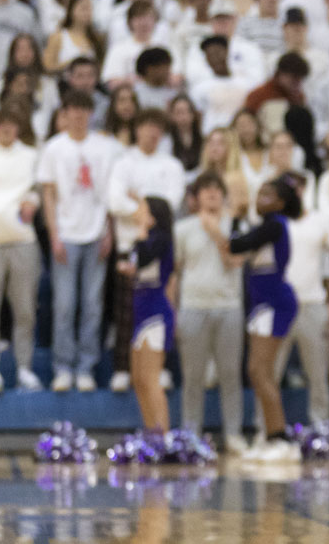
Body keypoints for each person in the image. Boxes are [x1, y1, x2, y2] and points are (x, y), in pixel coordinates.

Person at [38, 91, 121, 392]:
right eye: (73, 109)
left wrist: (109, 232)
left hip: (96, 232)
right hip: (66, 234)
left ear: (90, 113)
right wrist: (54, 235)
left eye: (84, 110)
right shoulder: (54, 148)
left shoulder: (104, 148)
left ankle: (86, 366)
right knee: (64, 304)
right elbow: (48, 195)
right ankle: (63, 366)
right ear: (65, 112)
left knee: (92, 304)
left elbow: (110, 195)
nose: (78, 115)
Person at [106, 108, 185, 393]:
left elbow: (171, 204)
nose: (152, 132)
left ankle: (161, 366)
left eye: (157, 127)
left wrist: (138, 204)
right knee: (128, 309)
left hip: (162, 247)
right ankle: (122, 368)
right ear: (137, 129)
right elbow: (114, 201)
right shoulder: (124, 162)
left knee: (161, 305)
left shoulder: (172, 165)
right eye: (146, 126)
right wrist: (145, 211)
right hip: (130, 244)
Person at [226, 180, 303, 460]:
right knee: (258, 371)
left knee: (261, 371)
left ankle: (278, 438)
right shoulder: (267, 226)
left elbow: (237, 244)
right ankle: (273, 435)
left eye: (268, 194)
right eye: (260, 193)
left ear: (281, 202)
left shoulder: (275, 224)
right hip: (262, 304)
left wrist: (235, 219)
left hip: (274, 302)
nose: (261, 198)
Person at [175, 172, 247, 451]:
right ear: (196, 197)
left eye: (216, 189)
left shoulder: (237, 225)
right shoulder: (183, 229)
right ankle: (190, 434)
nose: (212, 194)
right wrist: (173, 310)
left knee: (230, 374)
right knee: (193, 375)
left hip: (228, 306)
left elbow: (235, 261)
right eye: (206, 190)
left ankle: (233, 433)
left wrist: (216, 233)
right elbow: (176, 271)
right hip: (193, 306)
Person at [270, 169, 329, 423]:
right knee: (270, 374)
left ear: (304, 190)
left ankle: (321, 429)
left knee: (318, 374)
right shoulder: (272, 222)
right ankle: (268, 431)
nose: (293, 192)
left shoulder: (320, 221)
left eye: (297, 187)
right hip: (278, 306)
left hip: (312, 304)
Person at [0, 109, 41, 391]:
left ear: (19, 128)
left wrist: (32, 201)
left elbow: (38, 189)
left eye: (12, 125)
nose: (7, 129)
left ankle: (24, 368)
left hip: (22, 239)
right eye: (2, 125)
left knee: (25, 310)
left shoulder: (30, 155)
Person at [120, 196, 175, 433]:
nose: (136, 211)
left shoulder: (161, 239)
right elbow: (134, 264)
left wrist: (141, 232)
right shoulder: (143, 240)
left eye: (141, 209)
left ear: (153, 216)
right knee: (139, 379)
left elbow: (143, 257)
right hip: (140, 312)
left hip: (156, 314)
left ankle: (163, 437)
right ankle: (151, 432)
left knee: (152, 380)